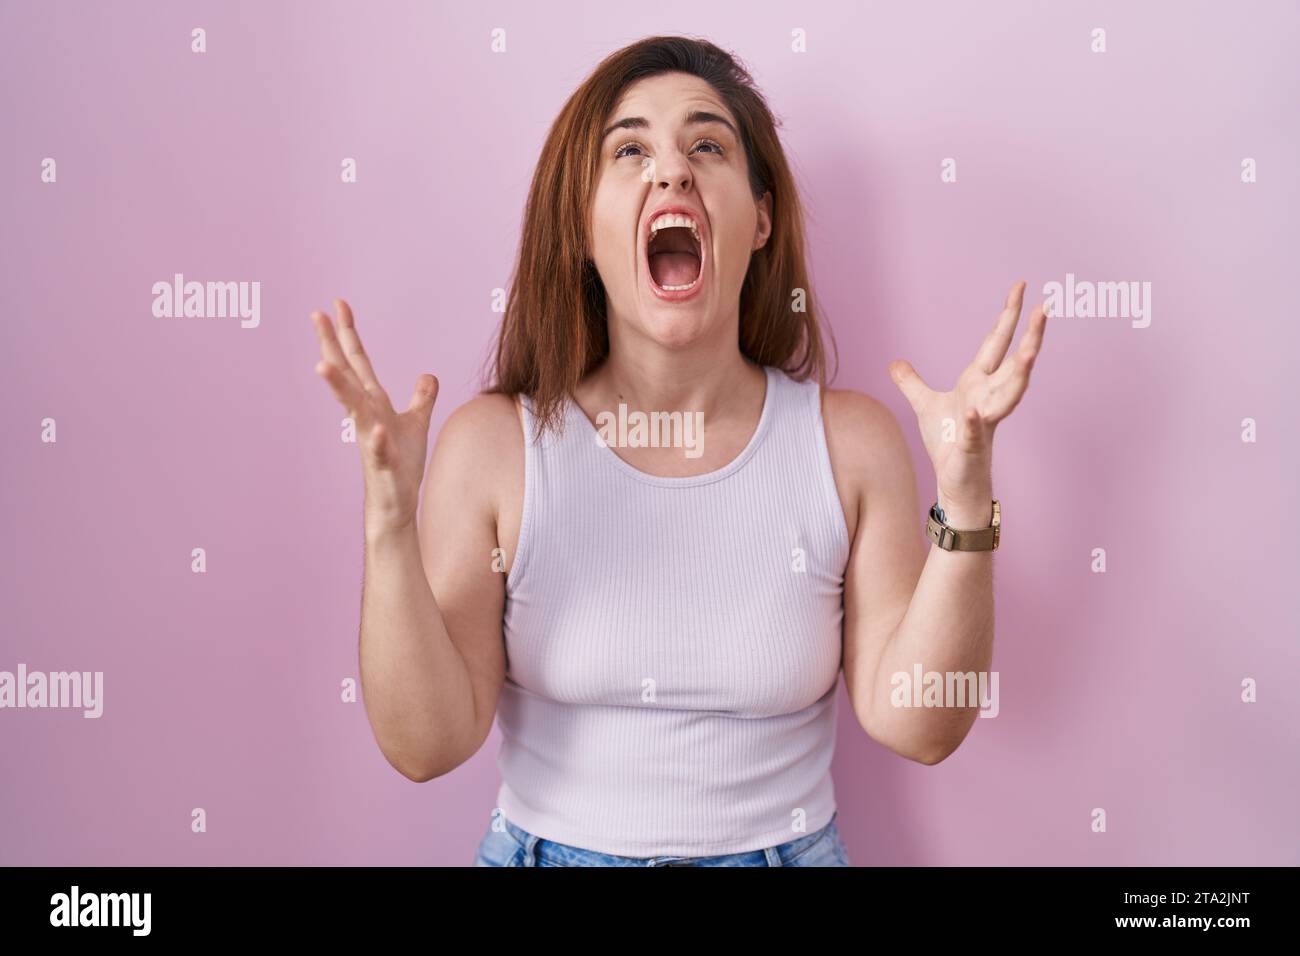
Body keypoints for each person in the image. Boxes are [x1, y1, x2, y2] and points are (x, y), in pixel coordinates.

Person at [309, 35, 1047, 867]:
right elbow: (425, 745)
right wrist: (387, 525)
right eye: (630, 150)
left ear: (760, 218)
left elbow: (921, 725)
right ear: (583, 226)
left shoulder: (850, 444)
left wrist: (969, 497)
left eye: (708, 145)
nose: (673, 172)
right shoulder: (495, 448)